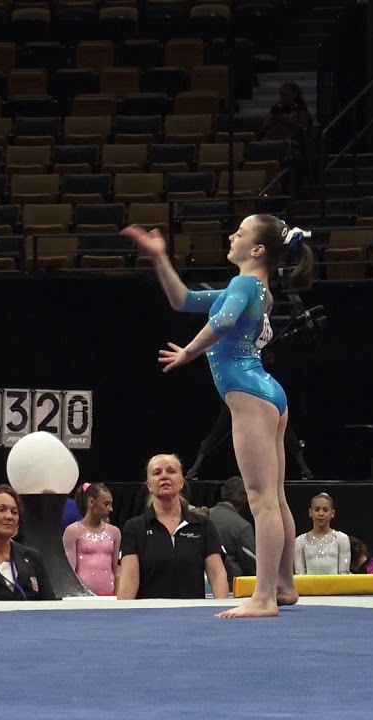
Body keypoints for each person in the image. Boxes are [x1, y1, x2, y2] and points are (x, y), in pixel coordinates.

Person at [125, 213, 314, 618]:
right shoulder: (255, 288)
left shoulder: (244, 284)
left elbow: (222, 323)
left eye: (240, 233)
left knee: (261, 499)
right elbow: (182, 301)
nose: (232, 236)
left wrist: (187, 353)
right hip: (268, 392)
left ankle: (264, 598)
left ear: (257, 250)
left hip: (247, 392)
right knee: (275, 496)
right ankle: (283, 584)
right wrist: (160, 257)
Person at [118, 454, 229, 601]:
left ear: (182, 482)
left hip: (193, 617)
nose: (164, 476)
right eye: (157, 473)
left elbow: (217, 574)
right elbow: (130, 579)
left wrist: (221, 610)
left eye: (171, 471)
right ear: (149, 485)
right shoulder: (134, 527)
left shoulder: (203, 525)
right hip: (148, 619)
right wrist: (124, 619)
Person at [62, 482, 121, 596]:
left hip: (110, 595)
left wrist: (119, 596)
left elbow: (117, 569)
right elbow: (70, 571)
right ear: (91, 502)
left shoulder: (114, 532)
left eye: (111, 504)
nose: (111, 509)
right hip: (82, 597)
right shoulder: (72, 531)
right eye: (106, 504)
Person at [207, 476, 257, 582]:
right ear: (245, 499)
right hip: (230, 587)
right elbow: (251, 565)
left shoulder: (202, 517)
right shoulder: (242, 526)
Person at [295, 493, 351, 575]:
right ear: (310, 512)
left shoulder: (342, 539)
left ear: (332, 513)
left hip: (336, 586)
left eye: (325, 510)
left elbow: (344, 573)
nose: (321, 514)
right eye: (317, 510)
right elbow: (299, 574)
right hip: (309, 587)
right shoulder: (300, 541)